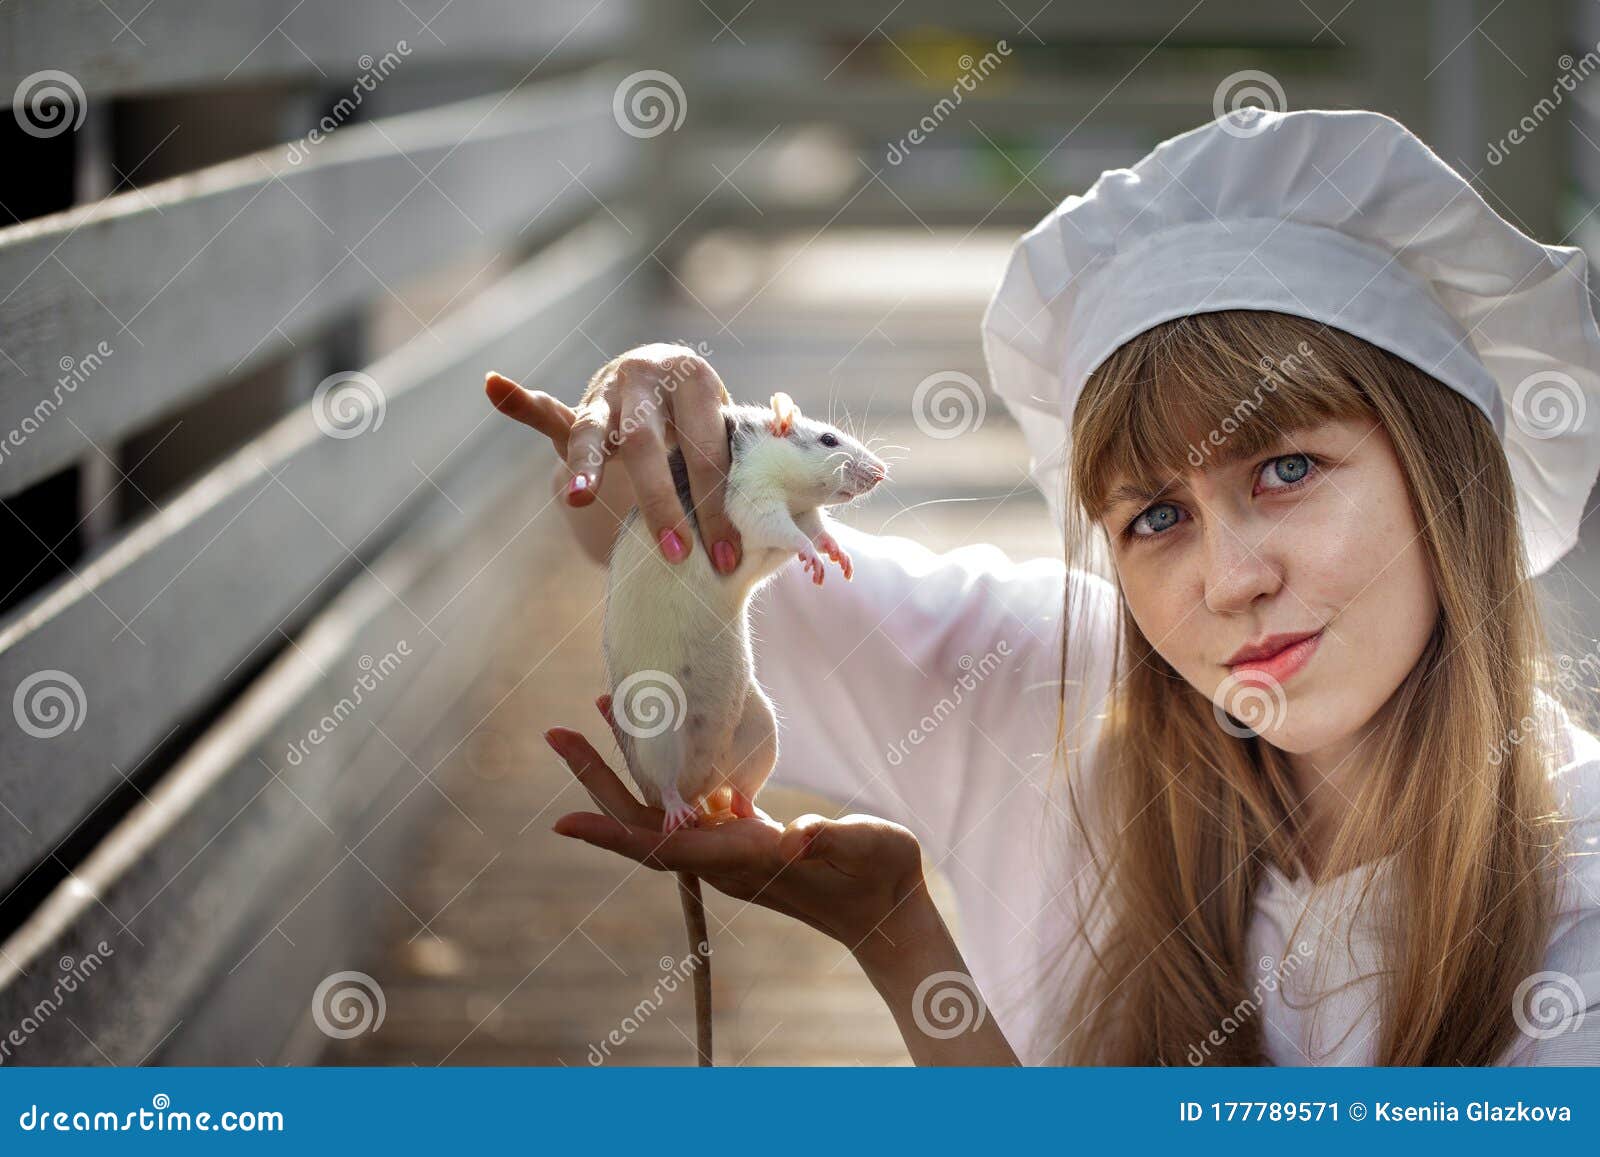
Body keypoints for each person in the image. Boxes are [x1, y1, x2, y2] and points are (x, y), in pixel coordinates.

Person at [490, 107, 1600, 1066]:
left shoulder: (1578, 914)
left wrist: (899, 940)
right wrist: (669, 435)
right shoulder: (1037, 682)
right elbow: (651, 544)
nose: (1228, 579)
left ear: (1452, 473)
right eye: (1154, 516)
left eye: (1288, 468)